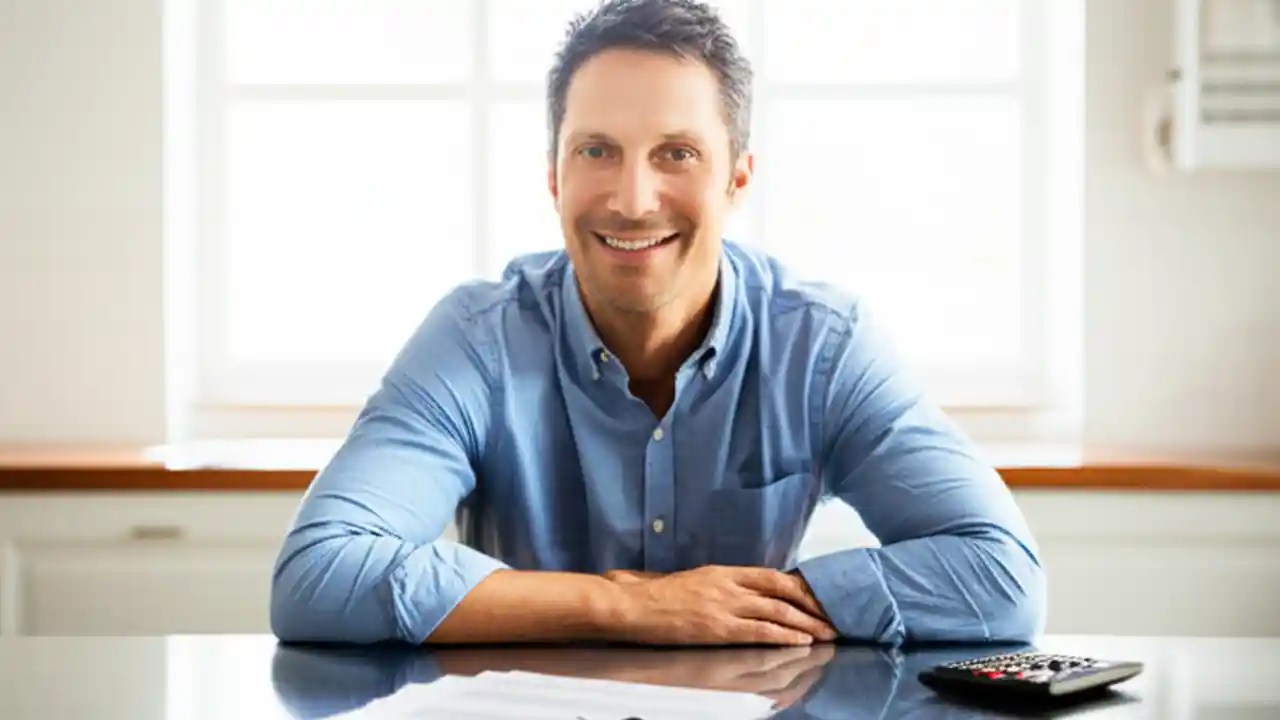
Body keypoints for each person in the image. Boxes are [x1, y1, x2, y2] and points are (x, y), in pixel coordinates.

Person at [270, 0, 1045, 648]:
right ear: (554, 176)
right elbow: (317, 577)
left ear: (737, 177)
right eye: (597, 151)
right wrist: (628, 605)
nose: (633, 198)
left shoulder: (822, 344)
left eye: (676, 153)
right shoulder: (477, 341)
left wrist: (746, 605)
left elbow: (1002, 579)